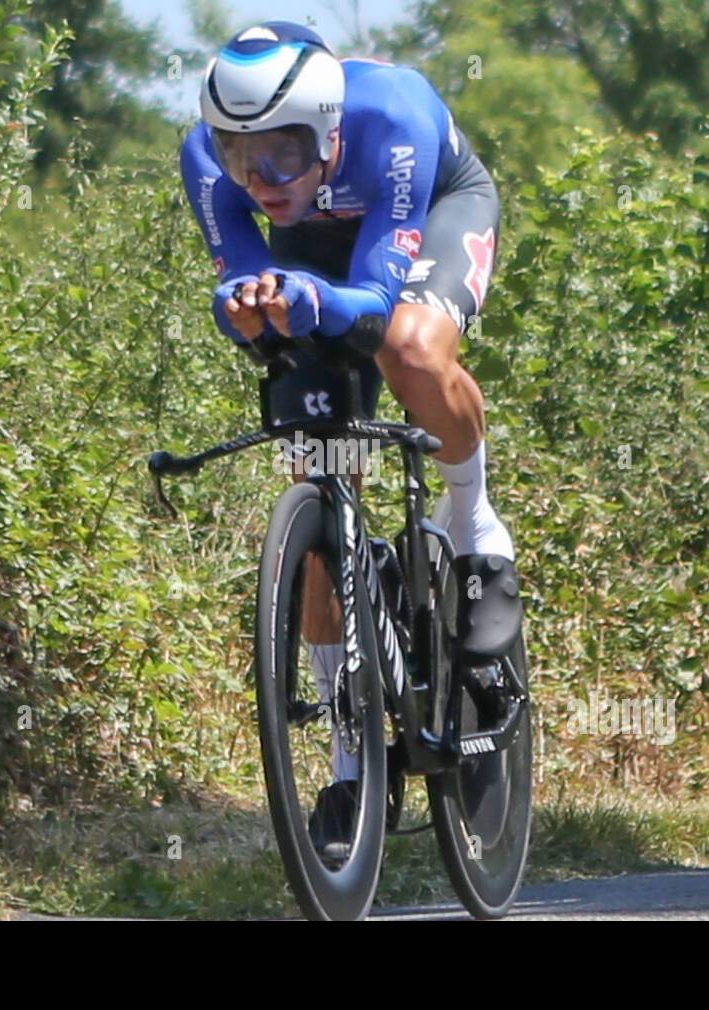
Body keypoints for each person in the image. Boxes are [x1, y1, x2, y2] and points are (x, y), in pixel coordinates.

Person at [179, 21, 521, 859]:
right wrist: (249, 310)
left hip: (430, 209)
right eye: (239, 154)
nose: (260, 178)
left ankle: (471, 517)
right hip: (317, 248)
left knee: (407, 347)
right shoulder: (205, 158)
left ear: (329, 131)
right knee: (320, 460)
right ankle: (350, 755)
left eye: (284, 153)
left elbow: (371, 294)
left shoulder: (391, 119)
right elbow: (240, 294)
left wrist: (307, 298)